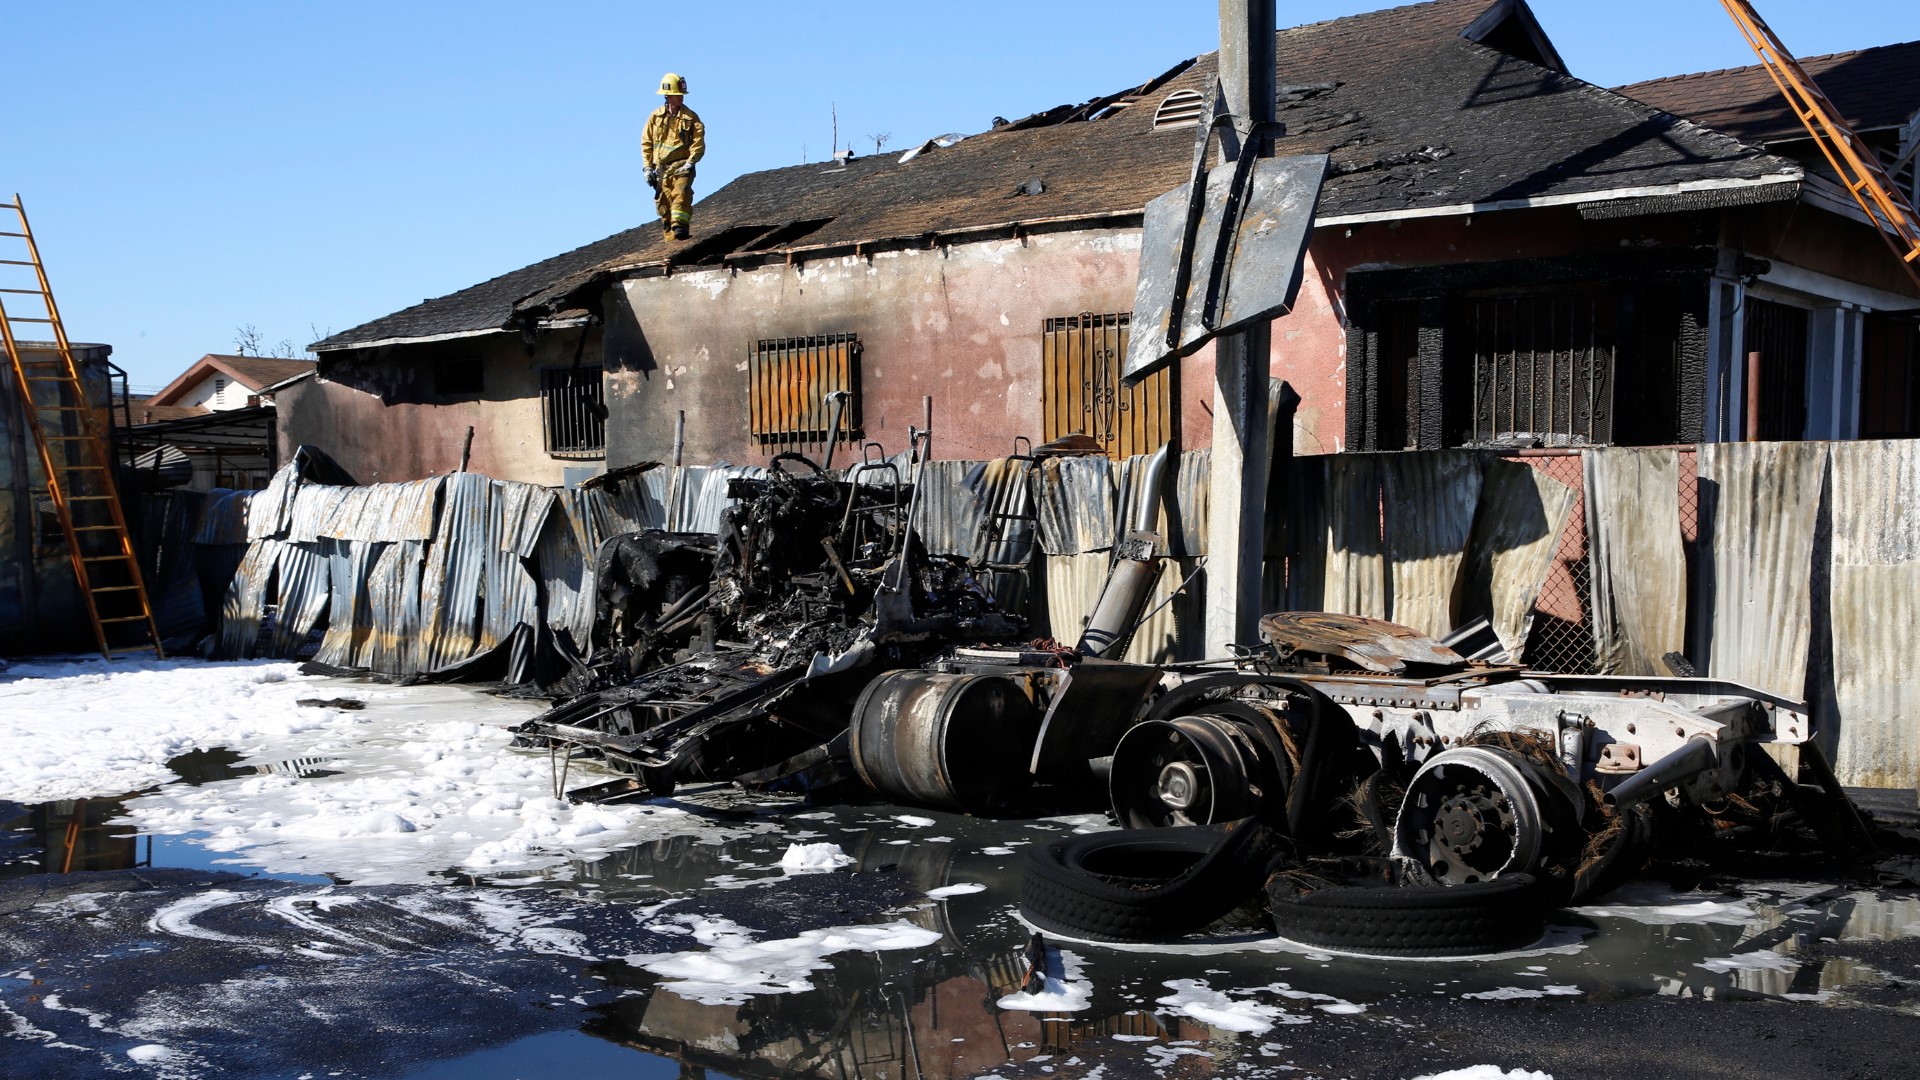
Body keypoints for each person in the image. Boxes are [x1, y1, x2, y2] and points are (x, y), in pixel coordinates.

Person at [642, 73, 705, 241]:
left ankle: (681, 228)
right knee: (664, 207)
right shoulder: (655, 118)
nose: (681, 98)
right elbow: (646, 143)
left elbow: (698, 142)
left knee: (681, 192)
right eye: (677, 95)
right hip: (662, 170)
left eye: (681, 95)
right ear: (668, 95)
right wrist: (647, 168)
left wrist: (691, 162)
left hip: (683, 166)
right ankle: (672, 241)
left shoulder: (691, 118)